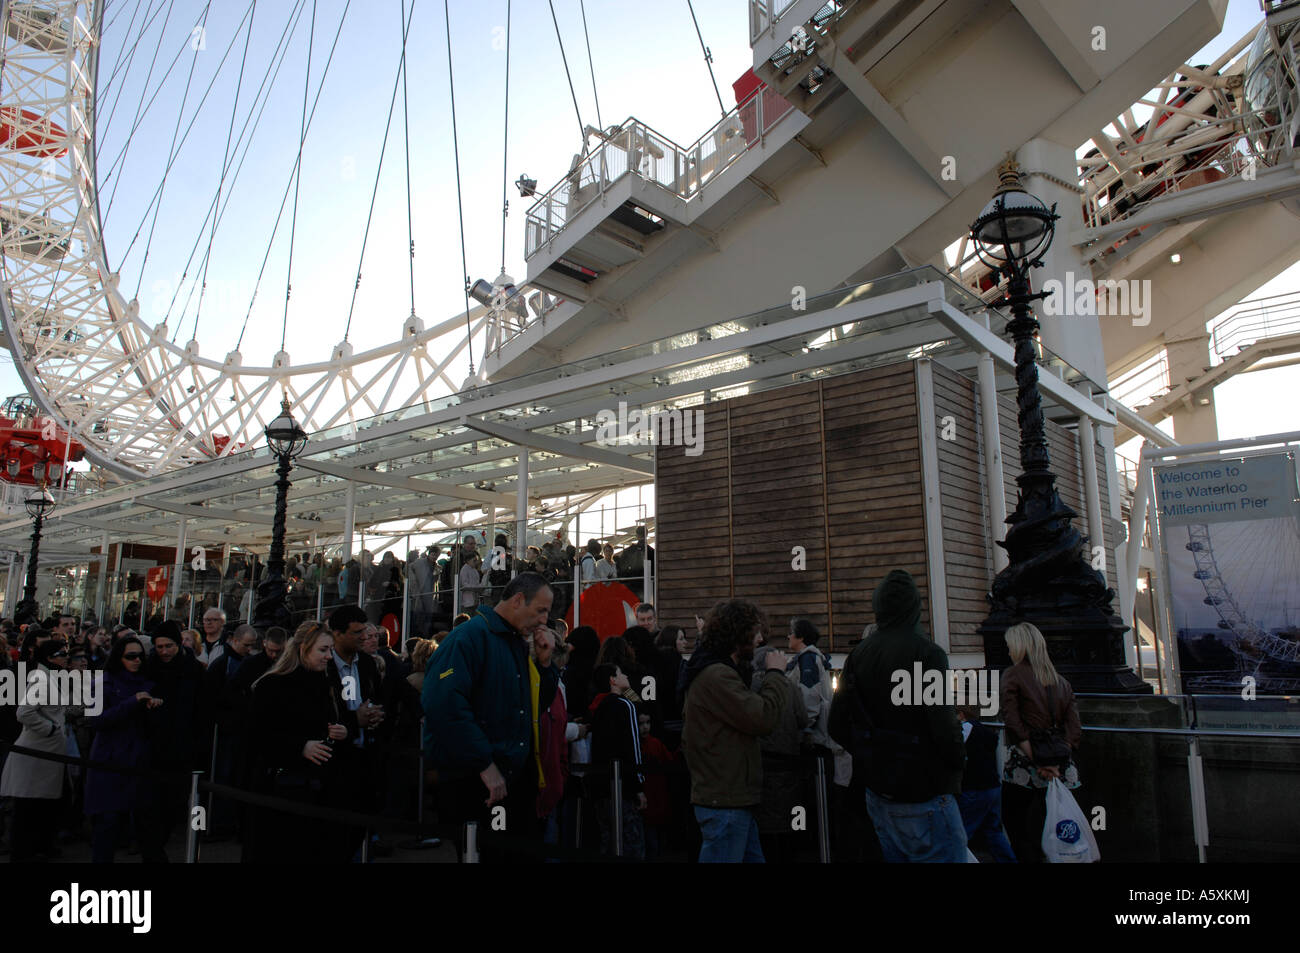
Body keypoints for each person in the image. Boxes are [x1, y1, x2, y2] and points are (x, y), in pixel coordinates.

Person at [830, 569, 966, 863]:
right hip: (925, 792)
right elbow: (944, 726)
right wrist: (956, 763)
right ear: (915, 608)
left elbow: (836, 724)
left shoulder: (858, 655)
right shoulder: (928, 654)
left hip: (878, 793)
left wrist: (872, 753)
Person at [422, 572, 553, 861]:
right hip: (478, 784)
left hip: (509, 781)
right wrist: (484, 764)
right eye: (541, 610)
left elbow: (534, 708)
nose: (544, 620)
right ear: (518, 600)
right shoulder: (467, 639)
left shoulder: (515, 642)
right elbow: (444, 706)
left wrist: (545, 666)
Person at [680, 598, 791, 863]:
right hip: (725, 802)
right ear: (738, 634)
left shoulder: (717, 671)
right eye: (755, 632)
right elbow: (763, 718)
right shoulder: (718, 676)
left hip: (730, 800)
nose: (760, 639)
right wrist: (775, 674)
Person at [248, 621, 354, 863]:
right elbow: (257, 734)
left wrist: (344, 731)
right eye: (323, 650)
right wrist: (299, 747)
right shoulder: (271, 685)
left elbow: (343, 719)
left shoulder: (328, 683)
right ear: (304, 648)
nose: (328, 656)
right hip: (283, 788)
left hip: (323, 787)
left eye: (330, 650)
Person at [999, 621, 1083, 864]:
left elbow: (1012, 721)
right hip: (1060, 766)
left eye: (1009, 645)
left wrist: (1037, 759)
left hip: (1025, 767)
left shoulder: (1012, 675)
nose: (1007, 650)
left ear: (1019, 646)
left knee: (1019, 826)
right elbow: (1074, 728)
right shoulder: (1061, 681)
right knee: (1055, 824)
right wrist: (1056, 762)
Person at [84, 636, 167, 863]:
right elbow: (97, 720)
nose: (137, 660)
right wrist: (132, 702)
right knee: (107, 825)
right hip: (109, 760)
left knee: (145, 824)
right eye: (131, 656)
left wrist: (154, 706)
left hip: (139, 760)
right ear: (119, 657)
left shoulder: (147, 682)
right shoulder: (104, 683)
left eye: (140, 655)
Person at [0, 640, 72, 862]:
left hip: (45, 755)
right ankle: (23, 853)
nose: (65, 657)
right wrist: (50, 729)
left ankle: (36, 848)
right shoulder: (42, 680)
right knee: (27, 810)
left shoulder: (50, 678)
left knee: (39, 808)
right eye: (61, 654)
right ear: (49, 658)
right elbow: (24, 712)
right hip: (36, 754)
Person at [146, 625, 205, 853]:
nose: (164, 651)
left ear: (178, 644)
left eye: (168, 646)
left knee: (174, 803)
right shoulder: (151, 668)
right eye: (159, 647)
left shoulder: (194, 670)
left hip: (183, 746)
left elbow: (202, 710)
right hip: (155, 746)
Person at [752, 643, 808, 863]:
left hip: (761, 764)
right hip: (789, 763)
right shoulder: (790, 686)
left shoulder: (750, 686)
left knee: (763, 822)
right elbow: (803, 719)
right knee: (790, 819)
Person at [588, 662, 646, 859]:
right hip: (623, 786)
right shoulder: (624, 705)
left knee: (608, 842)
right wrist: (638, 784)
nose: (626, 676)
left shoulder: (599, 707)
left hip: (601, 785)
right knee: (631, 843)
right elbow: (632, 747)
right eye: (621, 673)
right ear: (612, 680)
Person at [957, 705, 1017, 863]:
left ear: (961, 714)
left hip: (974, 788)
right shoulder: (988, 733)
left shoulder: (965, 729)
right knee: (993, 831)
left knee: (959, 834)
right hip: (992, 786)